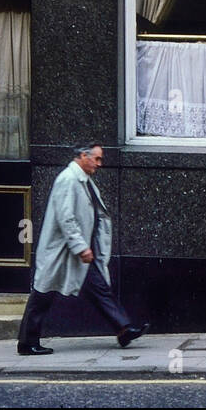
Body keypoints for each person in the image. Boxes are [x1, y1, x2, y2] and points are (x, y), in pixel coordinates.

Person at [17, 141, 149, 355]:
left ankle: (123, 330)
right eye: (96, 158)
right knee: (43, 294)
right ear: (83, 157)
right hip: (62, 251)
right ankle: (26, 343)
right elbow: (65, 217)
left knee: (99, 289)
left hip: (76, 252)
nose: (99, 164)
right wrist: (80, 247)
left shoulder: (83, 180)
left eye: (100, 159)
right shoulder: (68, 180)